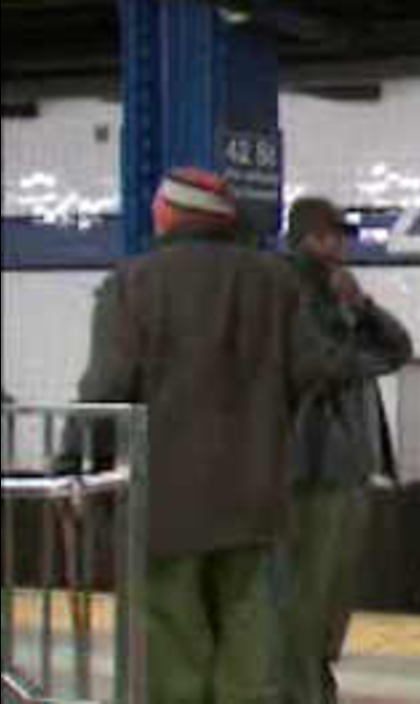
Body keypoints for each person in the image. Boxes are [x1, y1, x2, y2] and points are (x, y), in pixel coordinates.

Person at [75, 167, 332, 704]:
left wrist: (73, 464)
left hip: (162, 505)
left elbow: (106, 388)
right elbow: (313, 369)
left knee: (172, 656)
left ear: (167, 214)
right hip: (255, 501)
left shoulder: (134, 282)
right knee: (248, 655)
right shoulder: (277, 280)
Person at [279, 196, 414, 704]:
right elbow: (323, 365)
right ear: (305, 238)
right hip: (313, 465)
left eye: (339, 236)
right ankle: (299, 688)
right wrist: (365, 357)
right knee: (310, 591)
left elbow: (399, 348)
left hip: (348, 463)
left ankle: (315, 678)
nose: (338, 246)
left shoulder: (340, 294)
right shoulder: (292, 291)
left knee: (334, 593)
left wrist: (363, 307)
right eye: (328, 236)